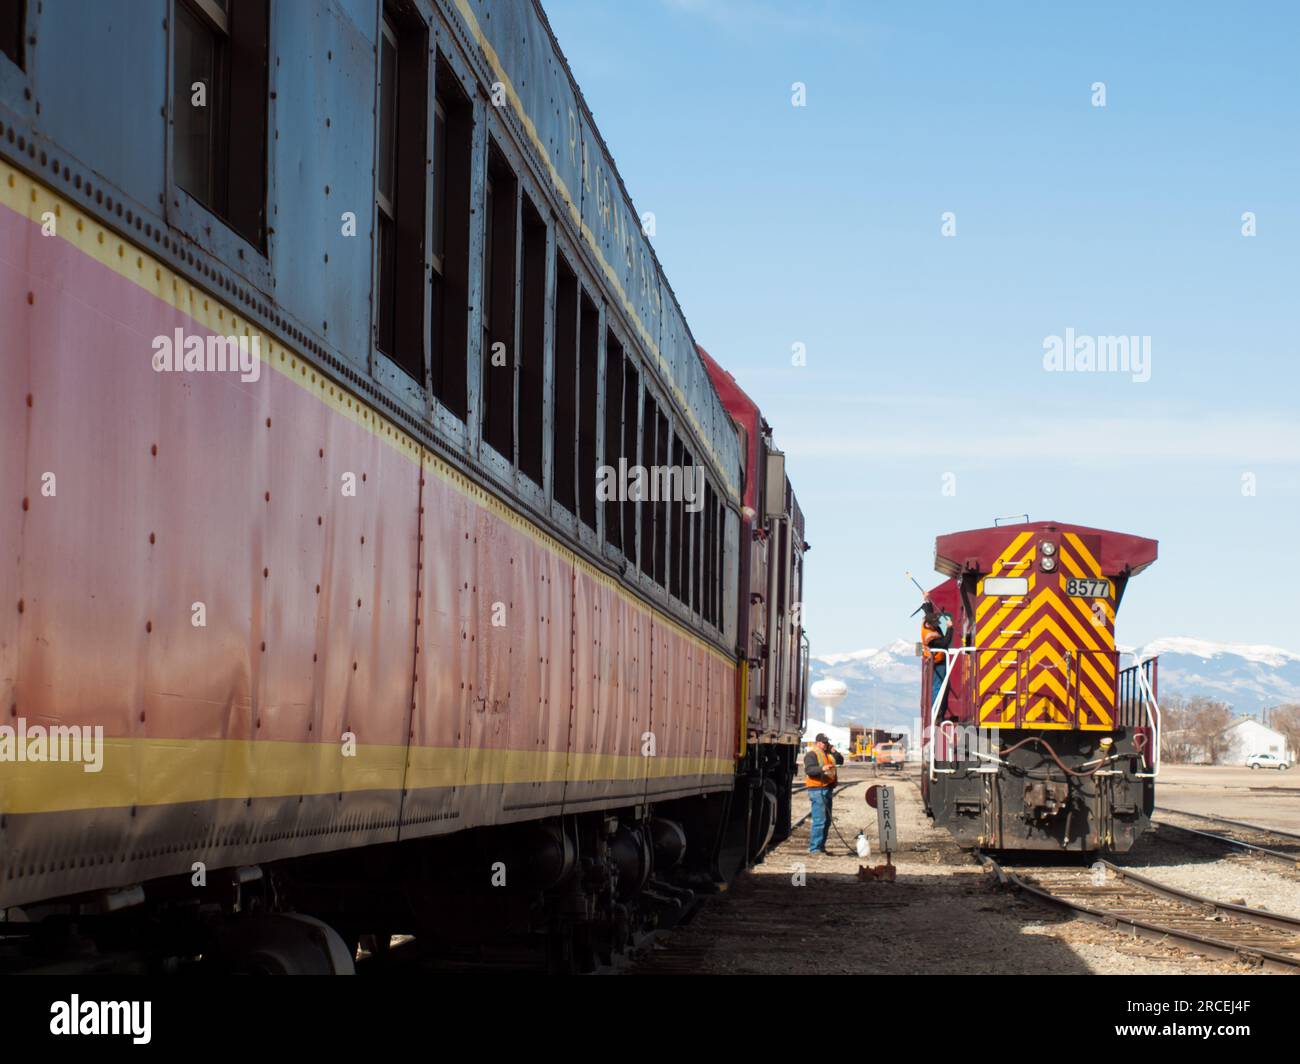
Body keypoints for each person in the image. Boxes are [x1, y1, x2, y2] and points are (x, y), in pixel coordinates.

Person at [804, 733, 842, 855]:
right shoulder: (811, 755)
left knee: (826, 821)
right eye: (824, 743)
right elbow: (809, 770)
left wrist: (834, 751)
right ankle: (814, 848)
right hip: (817, 789)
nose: (826, 745)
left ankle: (821, 847)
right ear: (818, 743)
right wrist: (822, 769)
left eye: (827, 742)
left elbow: (840, 760)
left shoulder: (828, 754)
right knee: (820, 820)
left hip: (827, 789)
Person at [921, 598, 954, 719]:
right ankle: (936, 712)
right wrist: (950, 628)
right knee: (938, 686)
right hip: (937, 662)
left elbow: (928, 613)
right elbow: (945, 641)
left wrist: (926, 600)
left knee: (944, 686)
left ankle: (938, 711)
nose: (936, 627)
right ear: (929, 624)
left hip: (939, 661)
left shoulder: (926, 623)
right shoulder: (930, 637)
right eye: (934, 625)